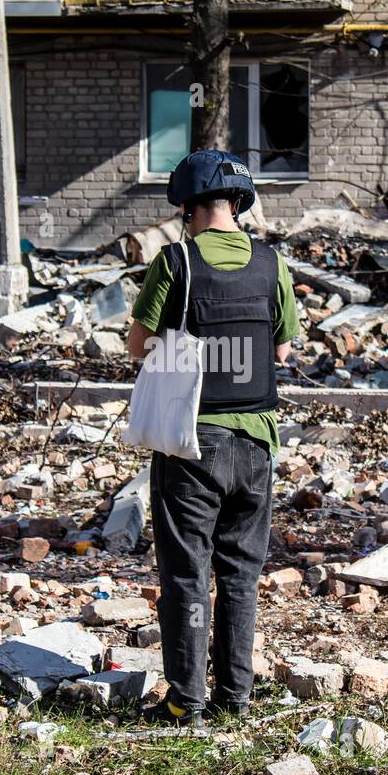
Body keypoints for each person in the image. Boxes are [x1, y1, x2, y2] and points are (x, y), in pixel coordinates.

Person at [127, 149, 300, 726]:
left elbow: (138, 345)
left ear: (187, 206)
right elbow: (281, 350)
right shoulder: (272, 263)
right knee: (240, 574)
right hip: (257, 444)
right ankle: (236, 697)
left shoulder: (175, 262)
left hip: (191, 443)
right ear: (238, 203)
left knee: (186, 573)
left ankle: (187, 701)